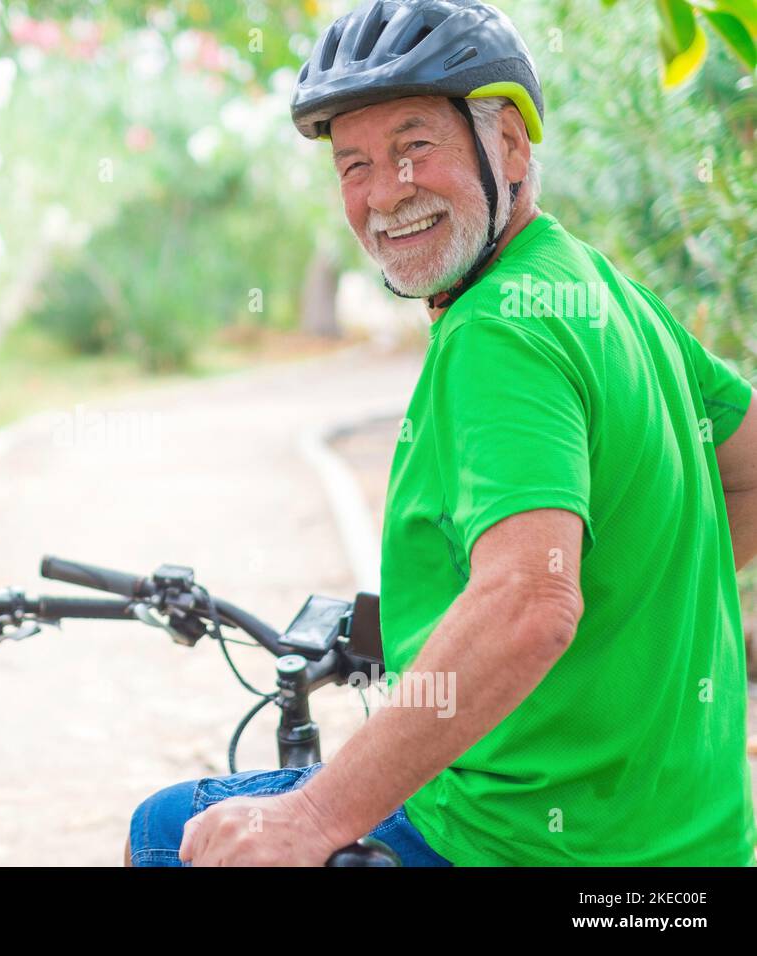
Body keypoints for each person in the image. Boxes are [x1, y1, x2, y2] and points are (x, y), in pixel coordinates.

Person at [127, 0, 757, 866]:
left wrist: (313, 819)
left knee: (170, 832)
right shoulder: (599, 289)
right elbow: (748, 477)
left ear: (510, 148)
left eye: (416, 146)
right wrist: (625, 617)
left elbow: (531, 604)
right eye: (355, 163)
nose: (386, 192)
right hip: (693, 844)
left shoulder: (496, 330)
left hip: (519, 843)